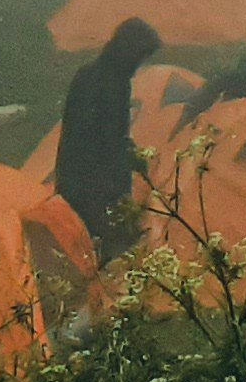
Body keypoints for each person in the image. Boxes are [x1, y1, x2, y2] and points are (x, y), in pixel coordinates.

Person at [53, 15, 164, 255]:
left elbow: (113, 134)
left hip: (99, 181)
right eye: (140, 57)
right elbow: (90, 139)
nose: (139, 65)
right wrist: (121, 161)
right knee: (96, 249)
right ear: (129, 51)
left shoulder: (111, 79)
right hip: (90, 186)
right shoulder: (98, 80)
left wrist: (130, 154)